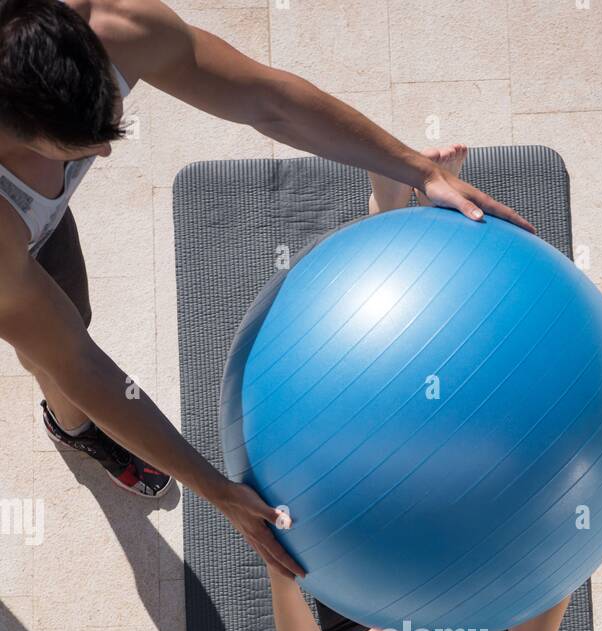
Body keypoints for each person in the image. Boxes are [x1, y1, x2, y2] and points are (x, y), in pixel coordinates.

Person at [0, 0, 535, 575]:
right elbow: (82, 363)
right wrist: (216, 489)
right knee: (51, 342)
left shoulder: (117, 24)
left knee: (64, 322)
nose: (105, 152)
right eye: (81, 143)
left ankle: (69, 423)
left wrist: (419, 170)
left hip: (26, 224)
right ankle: (76, 422)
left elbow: (268, 102)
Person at [268, 146, 570, 631]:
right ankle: (416, 243)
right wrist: (564, 549)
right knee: (442, 437)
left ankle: (385, 202)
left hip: (358, 603)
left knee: (370, 418)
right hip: (459, 598)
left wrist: (275, 561)